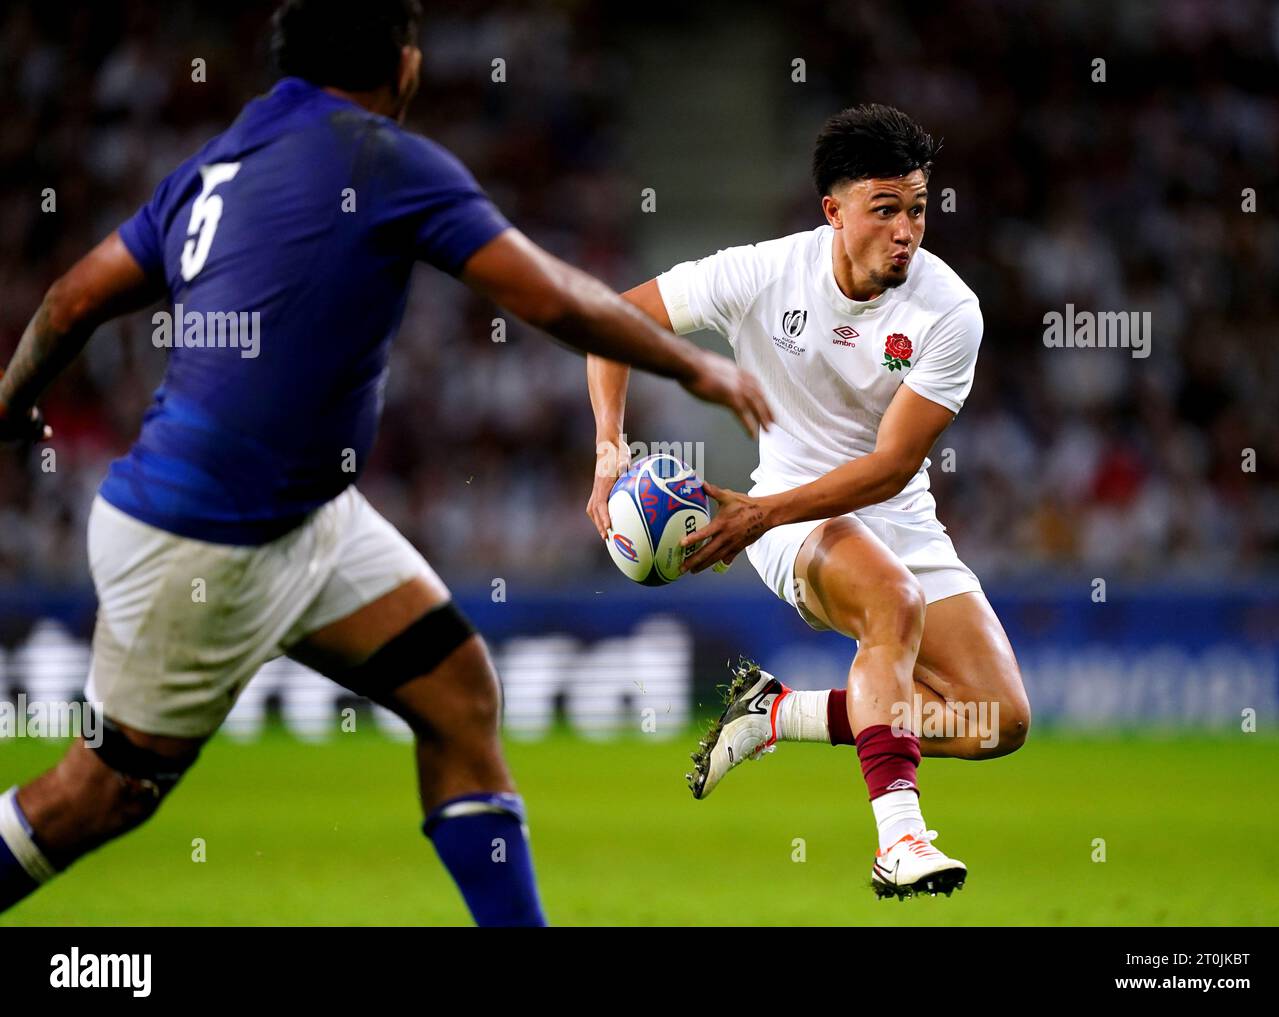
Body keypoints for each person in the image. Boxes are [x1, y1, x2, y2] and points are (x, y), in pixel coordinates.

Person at [0, 0, 771, 926]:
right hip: (203, 537)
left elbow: (70, 299)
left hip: (309, 516)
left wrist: (10, 402)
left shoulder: (212, 167)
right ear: (401, 62)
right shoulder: (381, 158)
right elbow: (551, 298)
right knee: (99, 796)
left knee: (457, 692)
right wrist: (692, 364)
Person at [586, 104, 1029, 900]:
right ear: (834, 211)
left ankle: (777, 713)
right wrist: (609, 446)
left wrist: (759, 513)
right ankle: (901, 841)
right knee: (890, 602)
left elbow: (892, 467)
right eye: (885, 209)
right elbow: (610, 318)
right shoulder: (761, 275)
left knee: (996, 720)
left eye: (918, 209)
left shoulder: (949, 310)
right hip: (792, 521)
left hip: (893, 515)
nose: (906, 231)